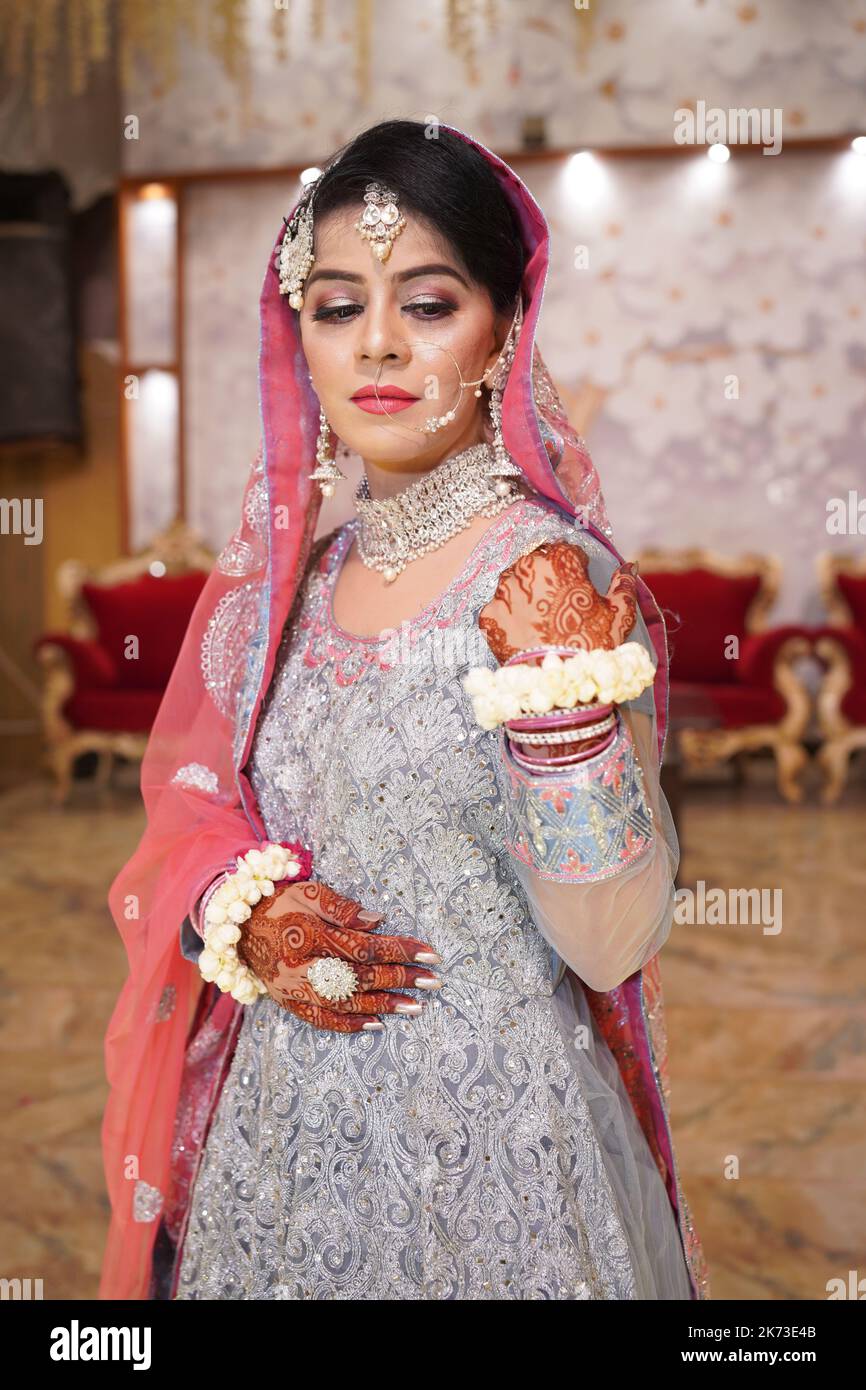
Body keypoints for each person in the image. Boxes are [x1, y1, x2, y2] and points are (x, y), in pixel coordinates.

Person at [99, 118, 710, 1301]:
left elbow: (609, 941)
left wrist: (560, 725)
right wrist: (247, 904)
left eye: (427, 305)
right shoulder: (293, 588)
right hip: (280, 1141)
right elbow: (183, 815)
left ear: (502, 333)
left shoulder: (552, 585)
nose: (377, 343)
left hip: (500, 1143)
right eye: (336, 308)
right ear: (302, 338)